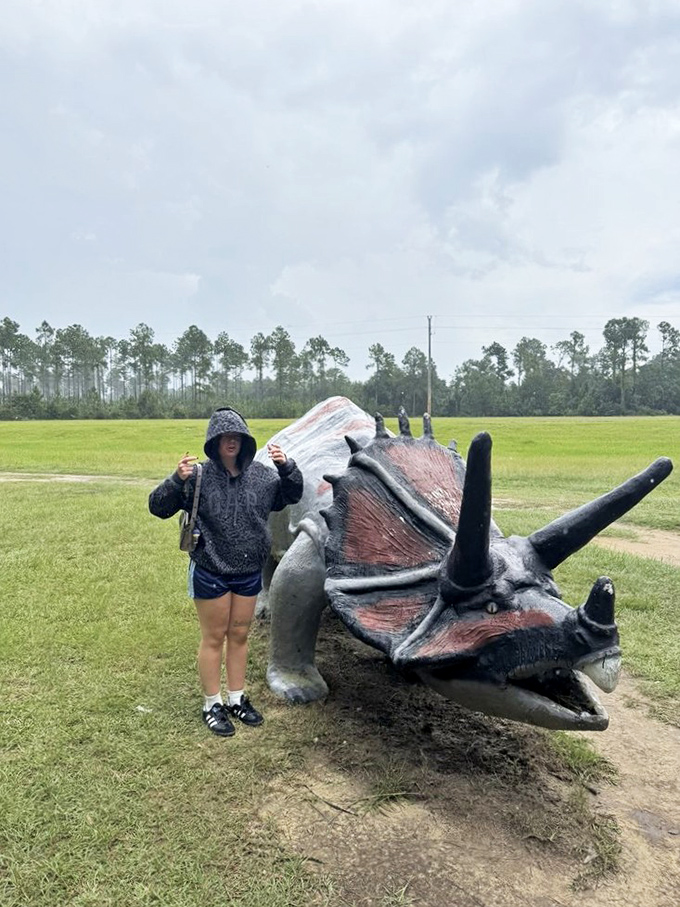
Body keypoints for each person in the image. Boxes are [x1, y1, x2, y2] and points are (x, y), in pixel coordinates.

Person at [149, 407, 303, 737]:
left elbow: (291, 495)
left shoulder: (263, 476)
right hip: (211, 568)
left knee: (239, 635)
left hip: (248, 571)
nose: (231, 442)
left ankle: (236, 698)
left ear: (245, 441)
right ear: (214, 441)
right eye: (224, 437)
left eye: (237, 437)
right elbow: (157, 506)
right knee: (214, 637)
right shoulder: (198, 476)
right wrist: (176, 480)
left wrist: (286, 467)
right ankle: (212, 704)